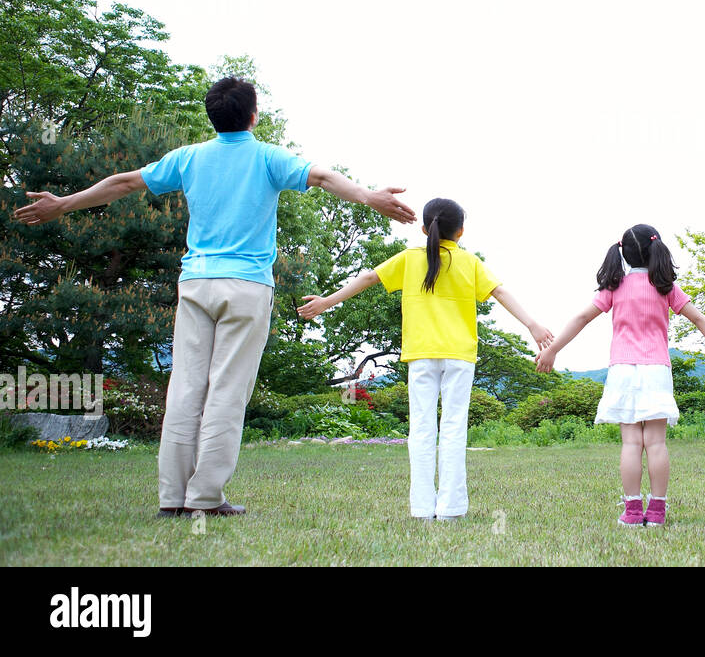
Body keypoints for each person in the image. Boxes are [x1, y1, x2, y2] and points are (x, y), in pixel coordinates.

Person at [14, 77, 417, 517]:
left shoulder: (189, 158)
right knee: (226, 392)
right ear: (253, 115)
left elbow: (125, 182)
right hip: (245, 287)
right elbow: (320, 176)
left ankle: (172, 498)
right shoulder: (266, 156)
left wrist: (62, 204)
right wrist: (368, 196)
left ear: (213, 115)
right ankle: (204, 497)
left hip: (196, 285)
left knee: (186, 387)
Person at [298, 197, 552, 520]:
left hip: (421, 355)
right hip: (459, 356)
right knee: (454, 428)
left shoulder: (409, 259)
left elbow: (368, 279)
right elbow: (499, 292)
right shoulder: (469, 262)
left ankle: (421, 508)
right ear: (461, 231)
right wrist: (532, 325)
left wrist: (326, 303)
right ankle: (450, 509)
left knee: (421, 429)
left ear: (423, 228)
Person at [535, 224, 705, 527]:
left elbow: (581, 318)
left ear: (623, 253)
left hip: (622, 369)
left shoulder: (614, 287)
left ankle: (633, 511)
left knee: (631, 443)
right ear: (656, 249)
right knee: (656, 443)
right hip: (657, 370)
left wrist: (552, 350)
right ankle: (657, 511)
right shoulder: (666, 287)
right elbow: (699, 319)